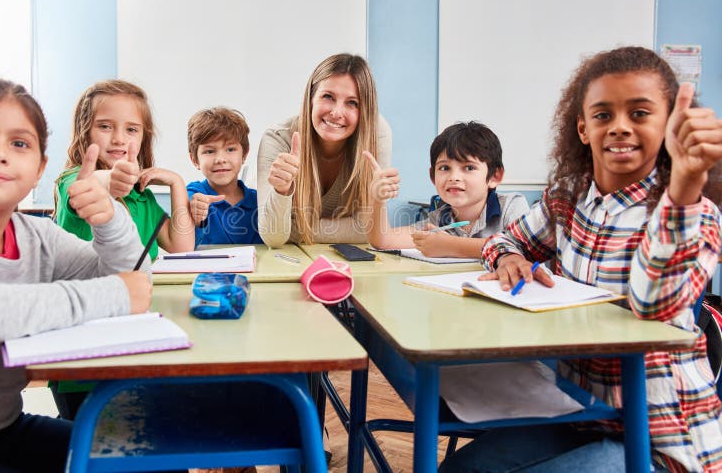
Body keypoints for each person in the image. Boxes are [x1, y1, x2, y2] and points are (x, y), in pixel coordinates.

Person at [440, 46, 722, 472]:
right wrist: (507, 259)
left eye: (641, 114)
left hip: (662, 438)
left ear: (669, 126)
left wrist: (682, 189)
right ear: (583, 128)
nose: (620, 127)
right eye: (604, 115)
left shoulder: (693, 213)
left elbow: (654, 307)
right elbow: (503, 242)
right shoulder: (569, 199)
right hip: (581, 414)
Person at [0, 78, 151, 472]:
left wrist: (111, 219)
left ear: (39, 169)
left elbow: (133, 278)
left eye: (19, 144)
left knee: (153, 461)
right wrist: (113, 294)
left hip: (2, 429)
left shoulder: (38, 237)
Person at [257, 53, 392, 246]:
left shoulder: (376, 134)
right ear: (311, 98)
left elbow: (368, 229)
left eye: (352, 103)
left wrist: (295, 229)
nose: (336, 113)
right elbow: (274, 237)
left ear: (365, 111)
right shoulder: (278, 139)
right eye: (328, 97)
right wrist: (281, 191)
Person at [55, 79, 194, 260]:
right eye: (105, 126)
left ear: (143, 138)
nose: (119, 139)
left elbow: (181, 247)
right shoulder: (72, 180)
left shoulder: (143, 199)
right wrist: (110, 181)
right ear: (85, 131)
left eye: (131, 129)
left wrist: (177, 183)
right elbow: (87, 187)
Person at [366, 121, 528, 257]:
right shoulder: (438, 220)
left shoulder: (511, 205)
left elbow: (521, 248)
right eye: (444, 168)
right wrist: (378, 200)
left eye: (469, 168)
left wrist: (450, 245)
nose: (454, 177)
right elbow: (384, 241)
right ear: (432, 176)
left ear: (495, 177)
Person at [186, 107, 262, 245]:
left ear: (244, 155)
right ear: (195, 160)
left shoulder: (259, 201)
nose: (220, 159)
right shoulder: (193, 195)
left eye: (230, 149)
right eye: (209, 151)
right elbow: (185, 246)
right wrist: (196, 219)